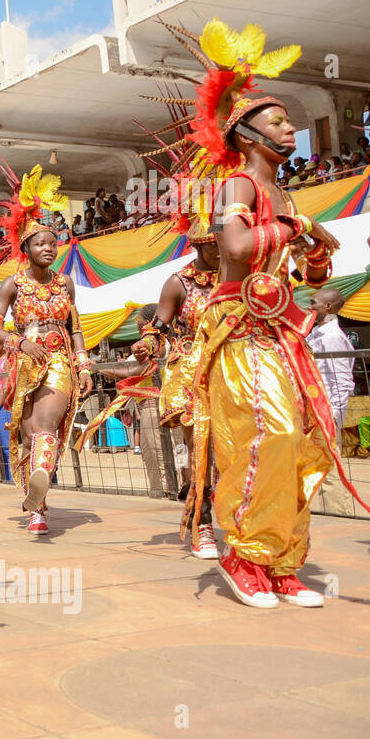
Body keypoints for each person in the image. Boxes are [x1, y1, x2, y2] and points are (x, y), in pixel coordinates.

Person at [175, 18, 370, 610]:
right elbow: (237, 252)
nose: (291, 128)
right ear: (245, 134)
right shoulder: (235, 188)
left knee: (303, 441)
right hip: (239, 328)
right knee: (267, 435)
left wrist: (316, 260)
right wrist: (298, 228)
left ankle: (283, 560)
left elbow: (298, 275)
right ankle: (243, 555)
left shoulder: (285, 195)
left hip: (281, 330)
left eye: (290, 120)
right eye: (279, 121)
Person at [0, 165, 93, 535]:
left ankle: (42, 477)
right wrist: (20, 342)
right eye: (40, 243)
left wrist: (84, 366)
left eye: (53, 242)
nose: (49, 248)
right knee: (28, 435)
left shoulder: (66, 284)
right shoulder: (13, 285)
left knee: (46, 424)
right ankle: (38, 507)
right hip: (23, 366)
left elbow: (75, 329)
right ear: (25, 248)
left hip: (58, 359)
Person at [131, 213, 221, 558]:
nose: (220, 251)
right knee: (202, 449)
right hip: (190, 374)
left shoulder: (237, 275)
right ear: (197, 245)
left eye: (222, 244)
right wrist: (147, 345)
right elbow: (158, 327)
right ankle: (204, 524)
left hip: (233, 367)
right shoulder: (178, 282)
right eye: (212, 246)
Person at [307, 288, 354, 434]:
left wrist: (334, 416)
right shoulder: (314, 334)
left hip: (324, 410)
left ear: (327, 306)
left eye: (313, 303)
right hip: (311, 406)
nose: (309, 307)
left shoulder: (332, 337)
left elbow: (341, 380)